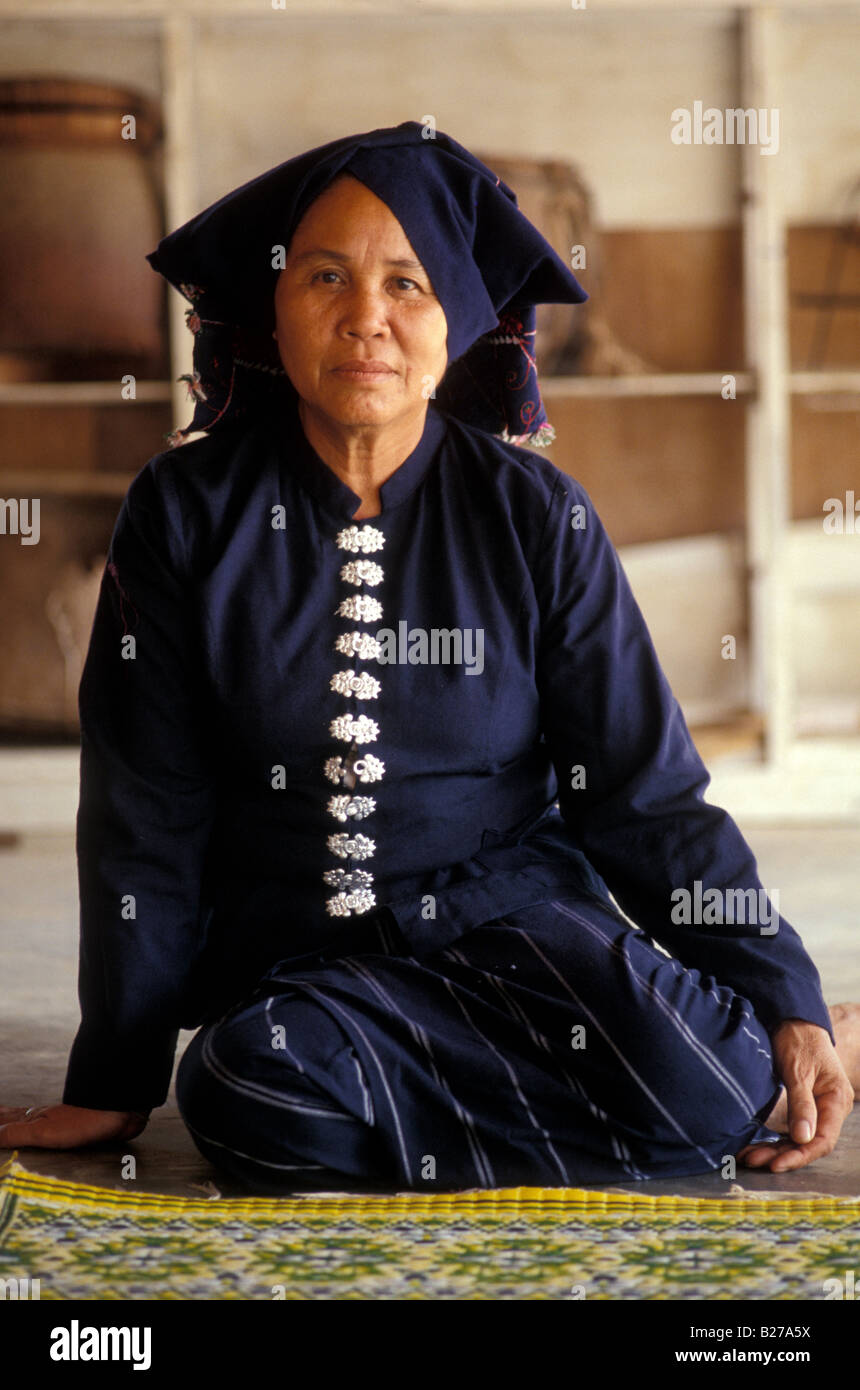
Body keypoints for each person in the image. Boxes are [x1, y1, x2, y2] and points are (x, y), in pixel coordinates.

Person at [1, 122, 856, 1192]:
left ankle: (427, 1128)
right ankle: (561, 1130)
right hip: (306, 974)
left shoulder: (535, 516)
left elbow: (643, 794)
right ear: (275, 306)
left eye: (407, 284)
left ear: (455, 320)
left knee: (714, 1074)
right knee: (243, 1090)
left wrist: (774, 986)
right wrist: (116, 1073)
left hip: (520, 932)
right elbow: (144, 811)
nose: (366, 318)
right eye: (325, 277)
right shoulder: (183, 516)